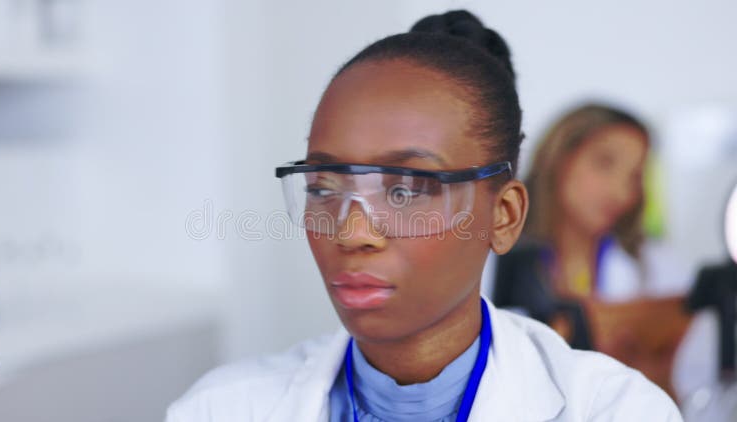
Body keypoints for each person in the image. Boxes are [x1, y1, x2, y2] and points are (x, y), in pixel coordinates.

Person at [166, 10, 682, 421]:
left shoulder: (617, 411)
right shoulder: (219, 409)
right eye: (324, 186)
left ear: (502, 217)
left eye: (406, 190)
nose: (351, 232)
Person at [492, 104, 691, 397]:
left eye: (634, 176)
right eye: (605, 163)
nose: (620, 191)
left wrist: (656, 378)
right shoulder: (489, 257)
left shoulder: (660, 269)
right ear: (558, 158)